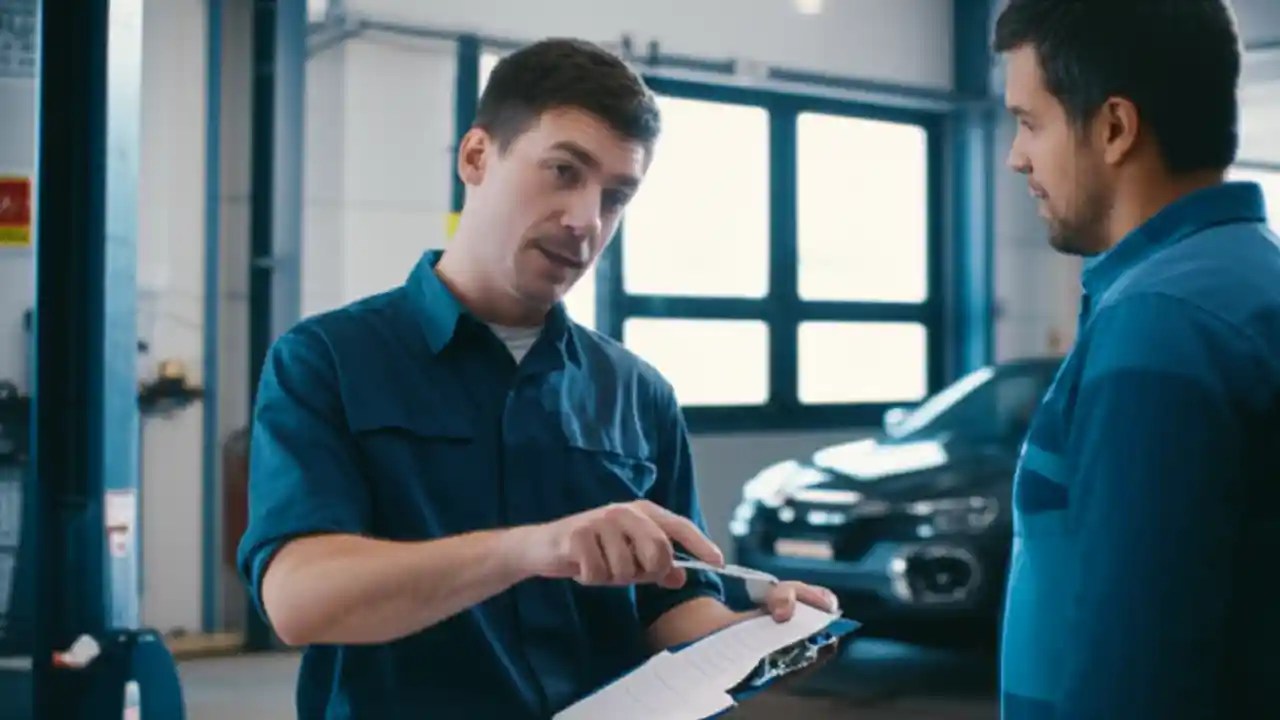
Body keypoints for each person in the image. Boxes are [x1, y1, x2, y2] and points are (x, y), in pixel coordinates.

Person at [237, 37, 838, 719]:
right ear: (476, 156)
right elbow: (299, 600)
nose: (586, 220)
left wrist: (754, 637)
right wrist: (532, 548)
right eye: (562, 171)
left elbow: (669, 603)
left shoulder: (637, 393)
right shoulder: (328, 360)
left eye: (616, 196)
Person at [993, 1, 1280, 718]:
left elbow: (1138, 675)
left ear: (1115, 127)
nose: (1016, 156)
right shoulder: (1247, 279)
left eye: (1030, 122)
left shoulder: (1163, 321)